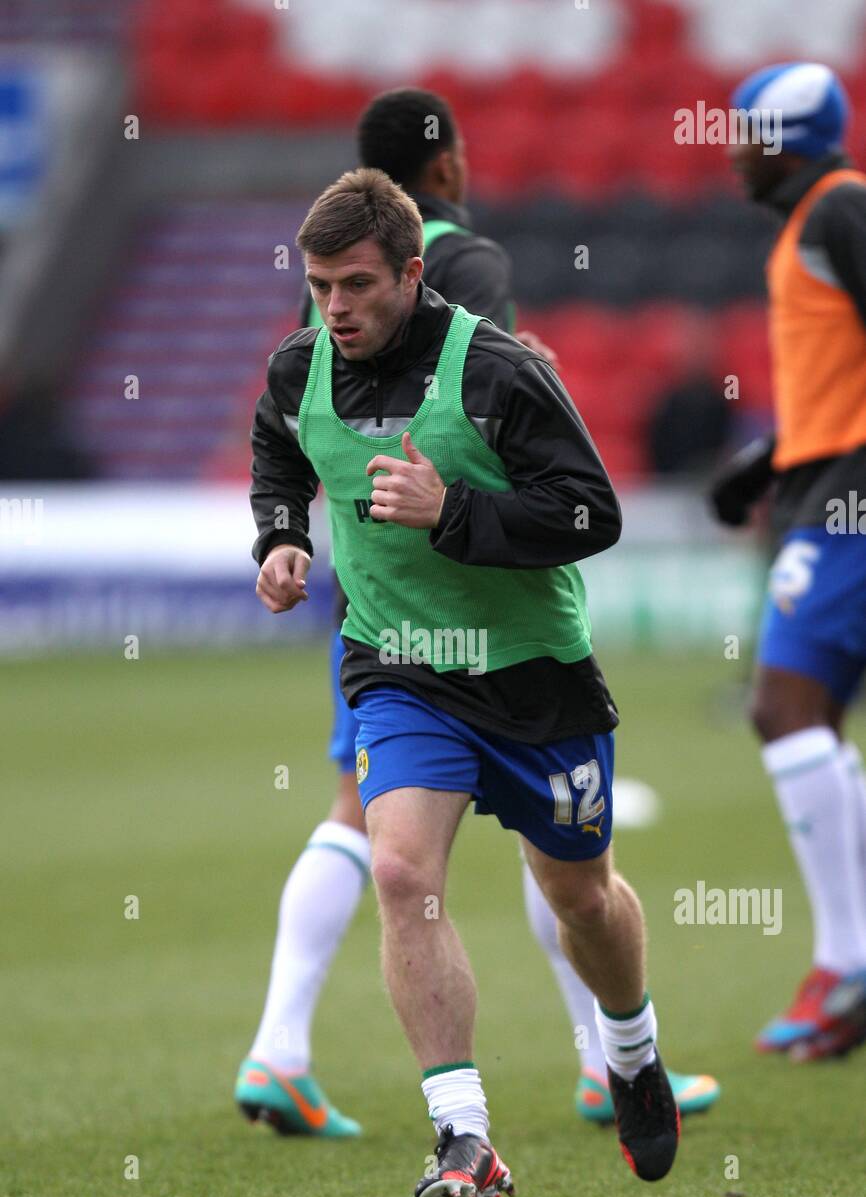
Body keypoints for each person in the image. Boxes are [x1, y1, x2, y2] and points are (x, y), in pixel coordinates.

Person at [236, 88, 719, 1138]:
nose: (333, 309)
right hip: (398, 660)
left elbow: (589, 512)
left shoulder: (494, 365)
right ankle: (463, 1132)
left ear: (412, 273)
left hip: (531, 670)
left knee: (581, 894)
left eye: (355, 286)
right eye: (316, 287)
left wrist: (450, 507)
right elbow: (277, 448)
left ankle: (628, 1051)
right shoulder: (295, 363)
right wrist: (280, 536)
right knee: (400, 867)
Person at [711, 61, 866, 1059]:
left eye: (746, 134)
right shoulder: (811, 218)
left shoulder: (838, 207)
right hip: (821, 482)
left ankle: (844, 961)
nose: (731, 152)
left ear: (788, 137)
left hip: (849, 498)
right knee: (814, 720)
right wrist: (764, 460)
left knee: (782, 705)